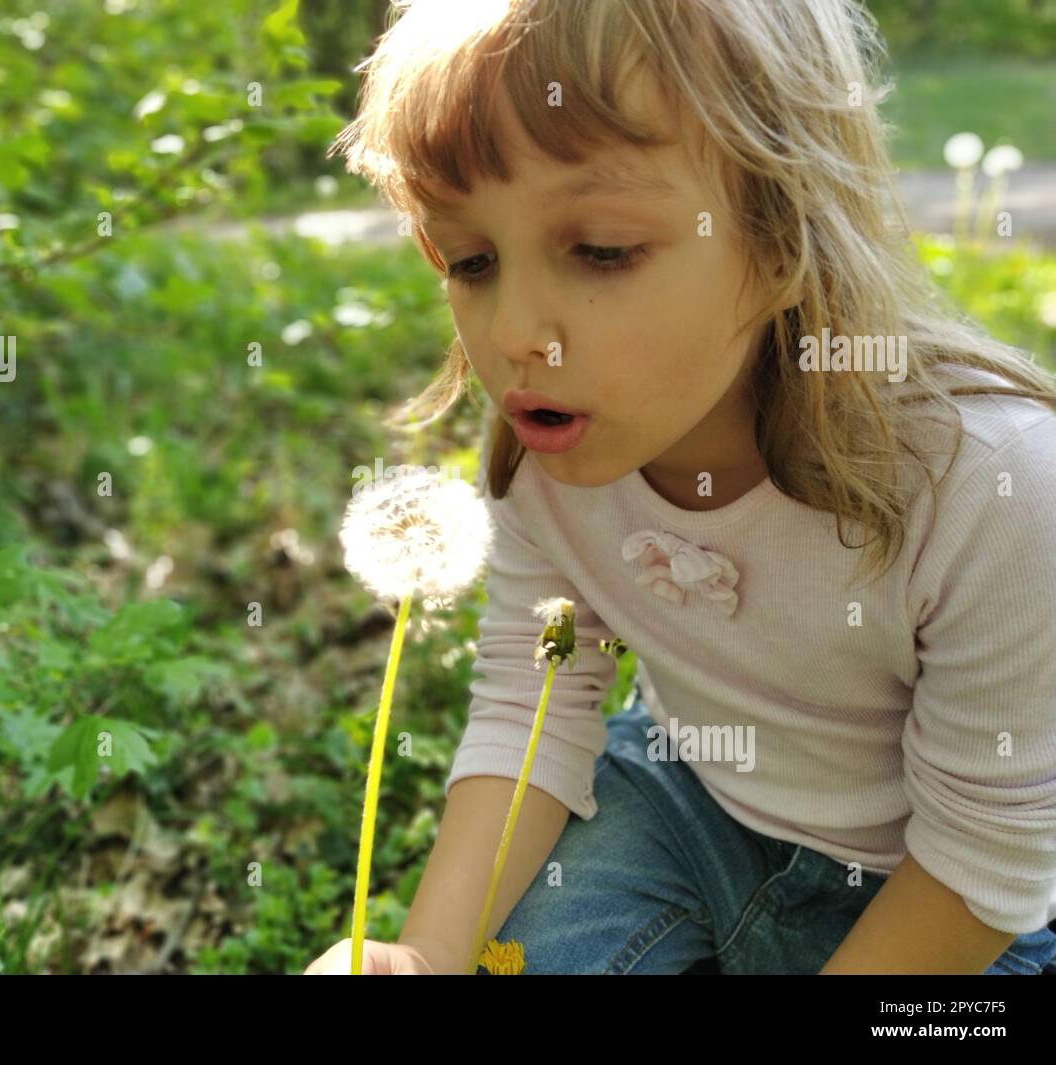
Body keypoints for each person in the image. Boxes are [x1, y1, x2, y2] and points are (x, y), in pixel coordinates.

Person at [305, 0, 1056, 974]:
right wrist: (424, 959)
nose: (514, 330)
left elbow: (988, 850)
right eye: (470, 260)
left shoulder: (991, 489)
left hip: (935, 893)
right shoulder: (545, 447)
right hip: (682, 802)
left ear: (782, 239)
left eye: (602, 251)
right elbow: (534, 707)